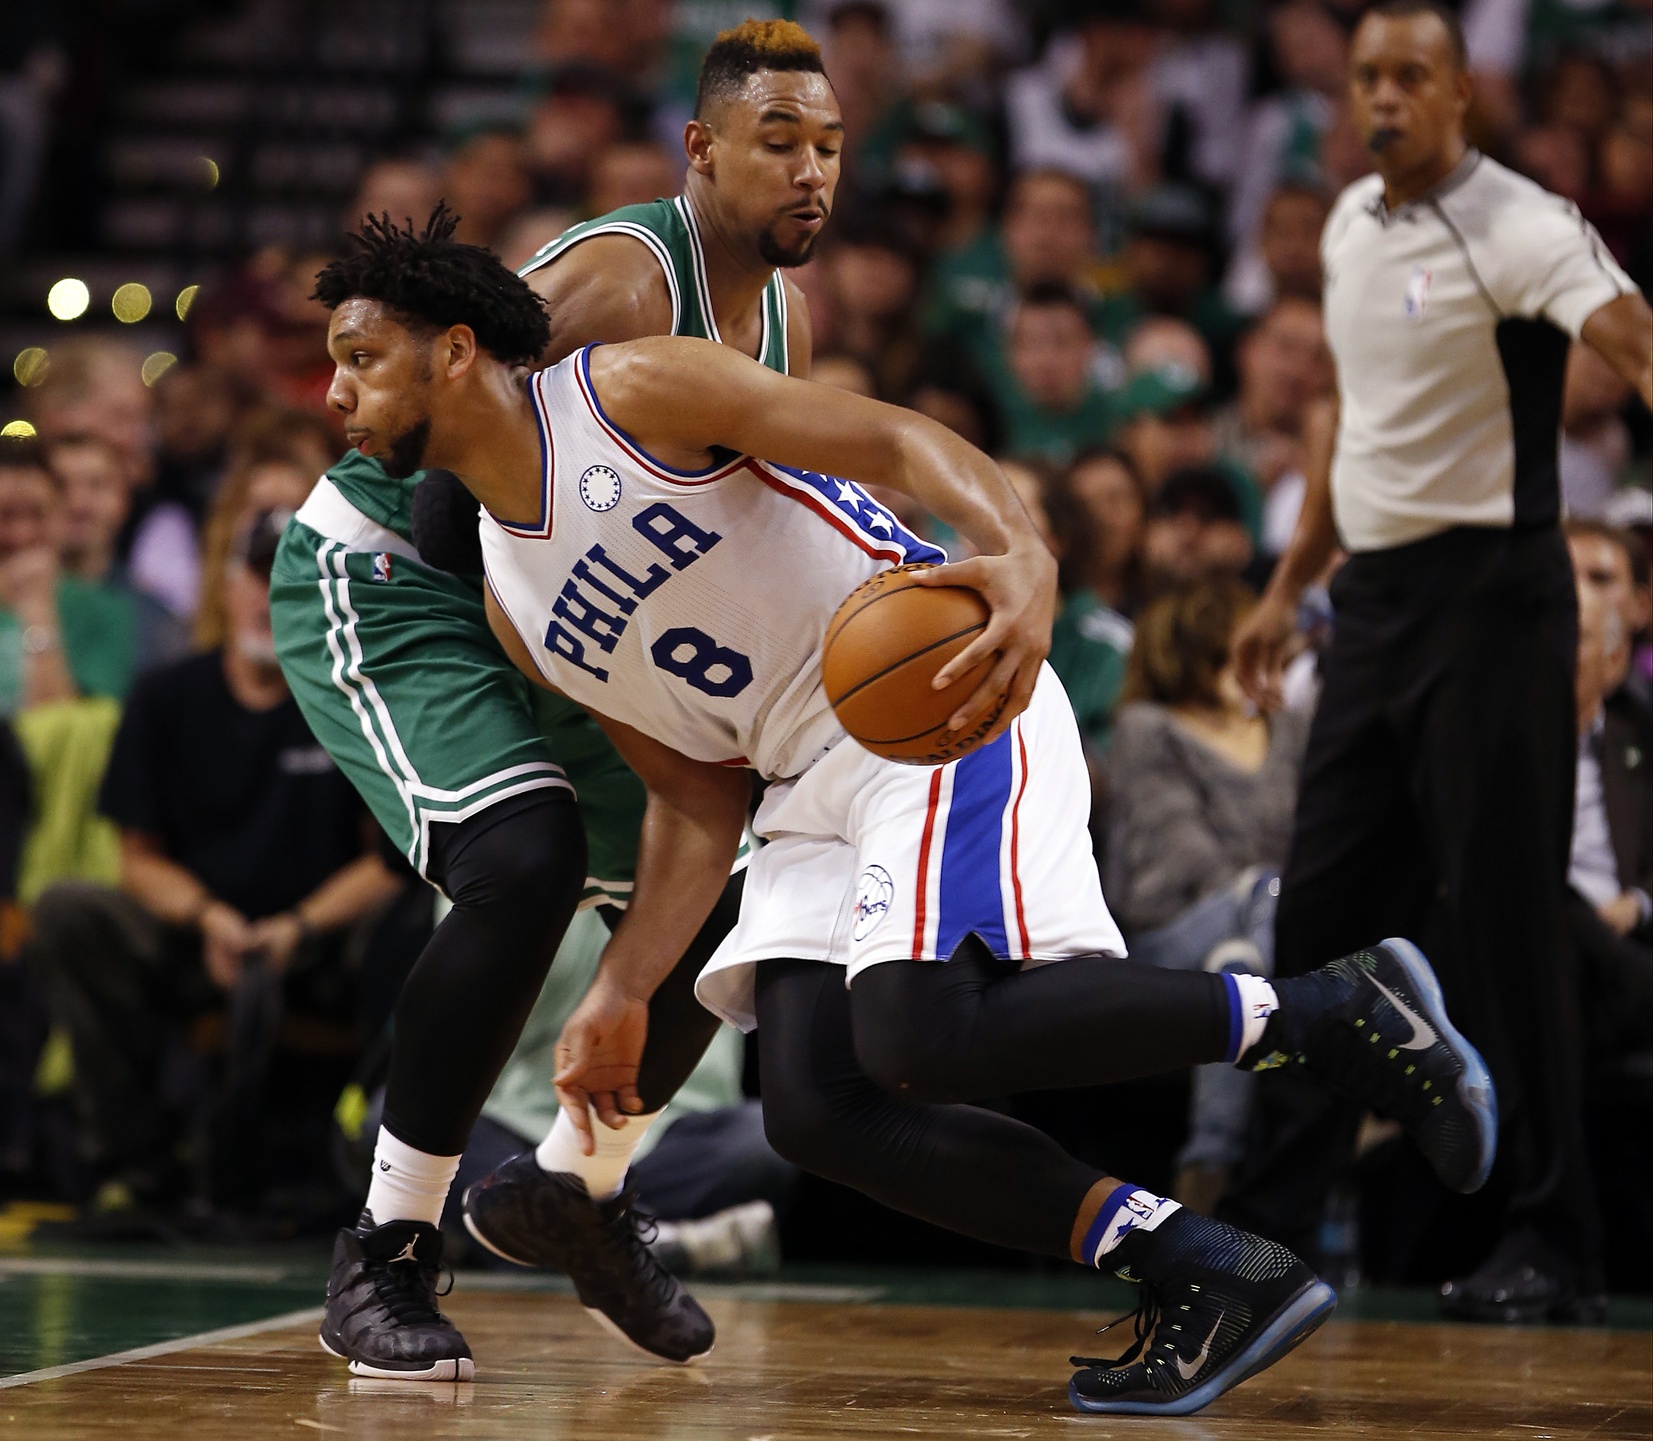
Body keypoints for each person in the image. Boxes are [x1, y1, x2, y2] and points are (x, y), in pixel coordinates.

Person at [313, 208, 1498, 1418]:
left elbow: (890, 434)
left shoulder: (624, 386)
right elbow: (693, 793)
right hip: (797, 778)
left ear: (456, 351)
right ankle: (1206, 1268)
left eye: (360, 358)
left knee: (922, 1029)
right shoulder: (515, 598)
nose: (336, 395)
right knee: (823, 1110)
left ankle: (1334, 1013)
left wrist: (1017, 551)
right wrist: (623, 985)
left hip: (930, 686)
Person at [268, 18, 840, 1381]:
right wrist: (588, 678)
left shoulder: (787, 319)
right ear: (699, 151)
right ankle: (387, 1253)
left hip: (574, 608)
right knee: (522, 856)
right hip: (411, 573)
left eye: (828, 146)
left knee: (738, 885)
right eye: (779, 142)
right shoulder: (623, 279)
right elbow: (449, 492)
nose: (810, 171)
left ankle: (584, 1192)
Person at [1228, 0, 1653, 1324]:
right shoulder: (1352, 223)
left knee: (1510, 917)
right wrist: (1291, 583)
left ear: (1461, 91)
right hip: (1375, 607)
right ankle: (1271, 1233)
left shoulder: (1521, 222)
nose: (1387, 98)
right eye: (1369, 78)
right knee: (1317, 927)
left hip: (1496, 603)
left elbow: (1631, 336)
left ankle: (1551, 1235)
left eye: (1413, 75)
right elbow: (1352, 423)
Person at [27, 509, 401, 1208]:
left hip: (319, 947)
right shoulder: (168, 695)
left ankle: (374, 1162)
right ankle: (132, 1164)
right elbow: (137, 856)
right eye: (257, 574)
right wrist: (208, 917)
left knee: (415, 918)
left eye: (289, 576)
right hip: (196, 934)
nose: (269, 594)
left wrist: (297, 926)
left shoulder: (353, 699)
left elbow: (387, 862)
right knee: (70, 909)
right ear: (226, 587)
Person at [1107, 580, 1311, 1213]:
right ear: (1196, 651)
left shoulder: (1293, 728)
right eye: (1241, 648)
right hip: (1166, 931)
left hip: (1263, 937)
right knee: (1267, 900)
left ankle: (1208, 1168)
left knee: (1241, 967)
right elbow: (1180, 856)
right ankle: (1350, 1073)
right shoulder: (1147, 728)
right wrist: (1259, 889)